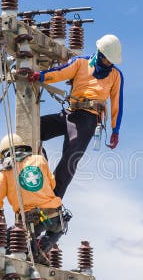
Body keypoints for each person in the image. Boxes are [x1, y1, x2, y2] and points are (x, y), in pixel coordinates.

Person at [30, 33, 124, 198]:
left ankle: (54, 198)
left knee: (71, 157)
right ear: (99, 53)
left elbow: (117, 103)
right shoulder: (81, 63)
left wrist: (115, 130)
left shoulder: (116, 75)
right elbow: (61, 72)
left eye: (111, 61)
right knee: (33, 128)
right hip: (71, 113)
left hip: (88, 119)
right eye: (106, 59)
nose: (108, 63)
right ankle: (40, 170)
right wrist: (41, 76)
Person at [0, 133, 69, 256]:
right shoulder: (40, 160)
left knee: (14, 244)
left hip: (32, 221)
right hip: (54, 217)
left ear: (5, 154)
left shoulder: (6, 172)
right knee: (59, 229)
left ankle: (33, 253)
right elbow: (52, 184)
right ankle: (41, 249)